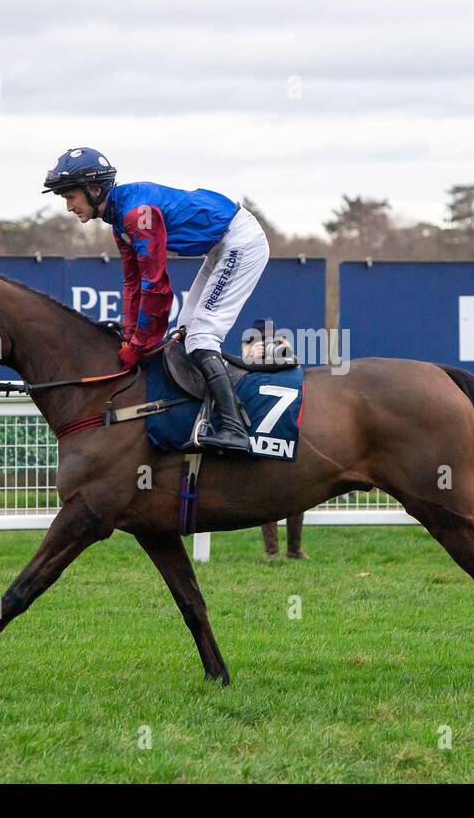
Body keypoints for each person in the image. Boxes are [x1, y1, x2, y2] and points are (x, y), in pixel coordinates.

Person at [43, 147, 270, 453]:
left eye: (70, 197)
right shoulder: (119, 221)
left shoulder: (137, 215)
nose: (69, 206)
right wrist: (129, 334)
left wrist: (138, 347)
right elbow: (133, 283)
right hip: (221, 244)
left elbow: (157, 287)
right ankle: (205, 415)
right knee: (187, 329)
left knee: (202, 337)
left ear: (94, 190)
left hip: (240, 241)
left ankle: (235, 429)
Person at [243, 319, 308, 560]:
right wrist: (250, 357)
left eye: (272, 339)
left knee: (297, 491)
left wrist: (288, 352)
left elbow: (300, 376)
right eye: (262, 340)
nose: (267, 345)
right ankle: (271, 551)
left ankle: (294, 549)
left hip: (287, 428)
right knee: (268, 492)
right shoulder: (244, 362)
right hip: (260, 432)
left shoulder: (285, 357)